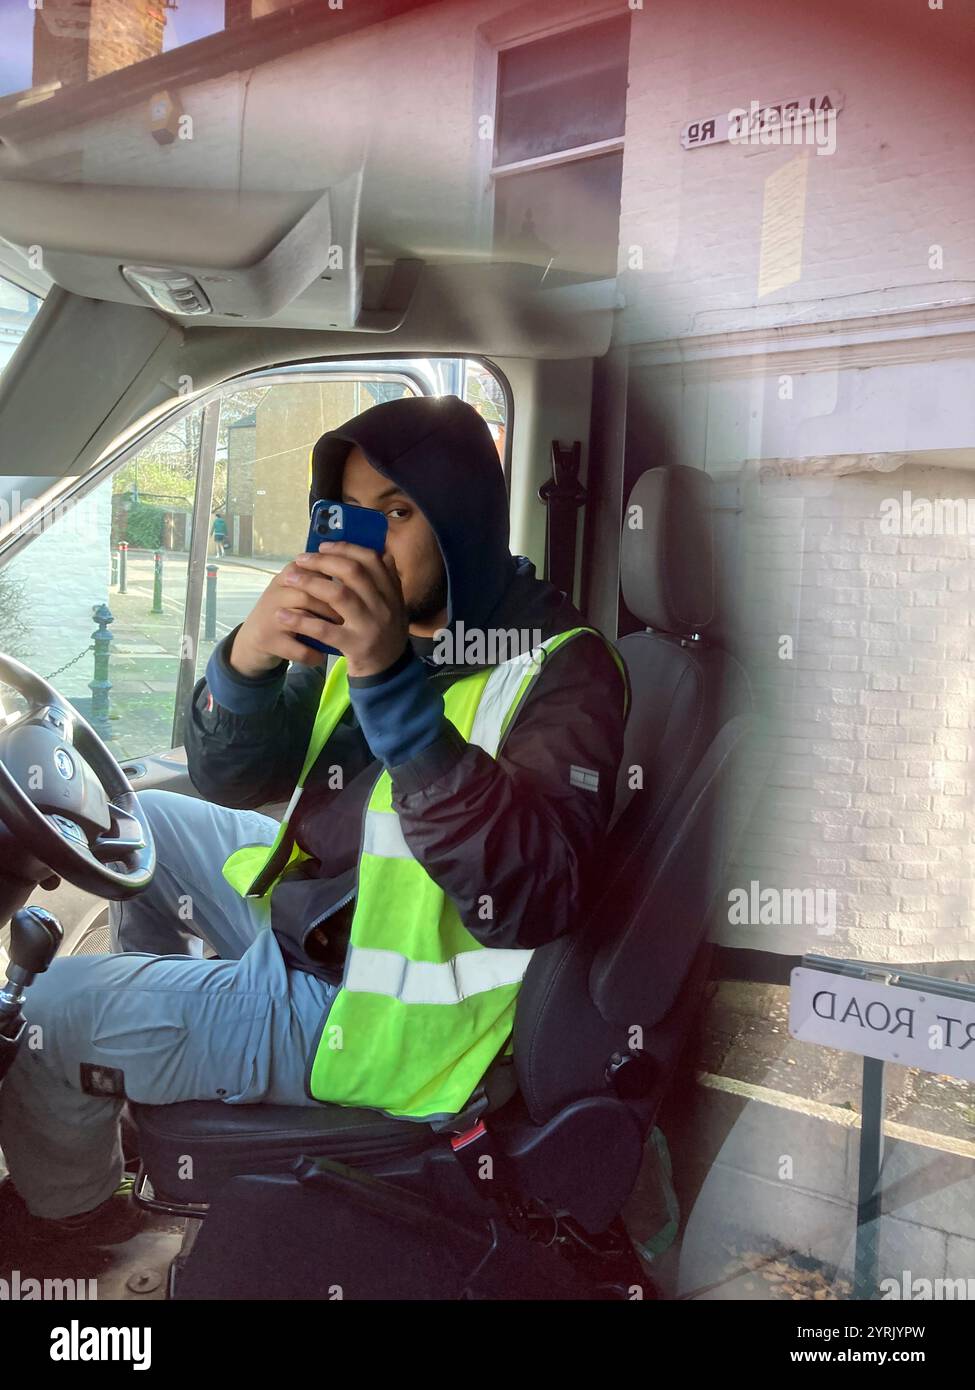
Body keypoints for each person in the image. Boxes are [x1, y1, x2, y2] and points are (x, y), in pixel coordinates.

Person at [0, 395, 628, 1248]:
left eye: (398, 513)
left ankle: (75, 1226)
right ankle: (162, 1048)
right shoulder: (372, 622)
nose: (361, 543)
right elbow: (234, 779)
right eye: (345, 515)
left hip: (384, 1010)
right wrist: (245, 667)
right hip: (327, 907)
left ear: (462, 521)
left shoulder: (564, 666)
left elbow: (531, 898)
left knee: (57, 1008)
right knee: (144, 817)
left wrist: (390, 688)